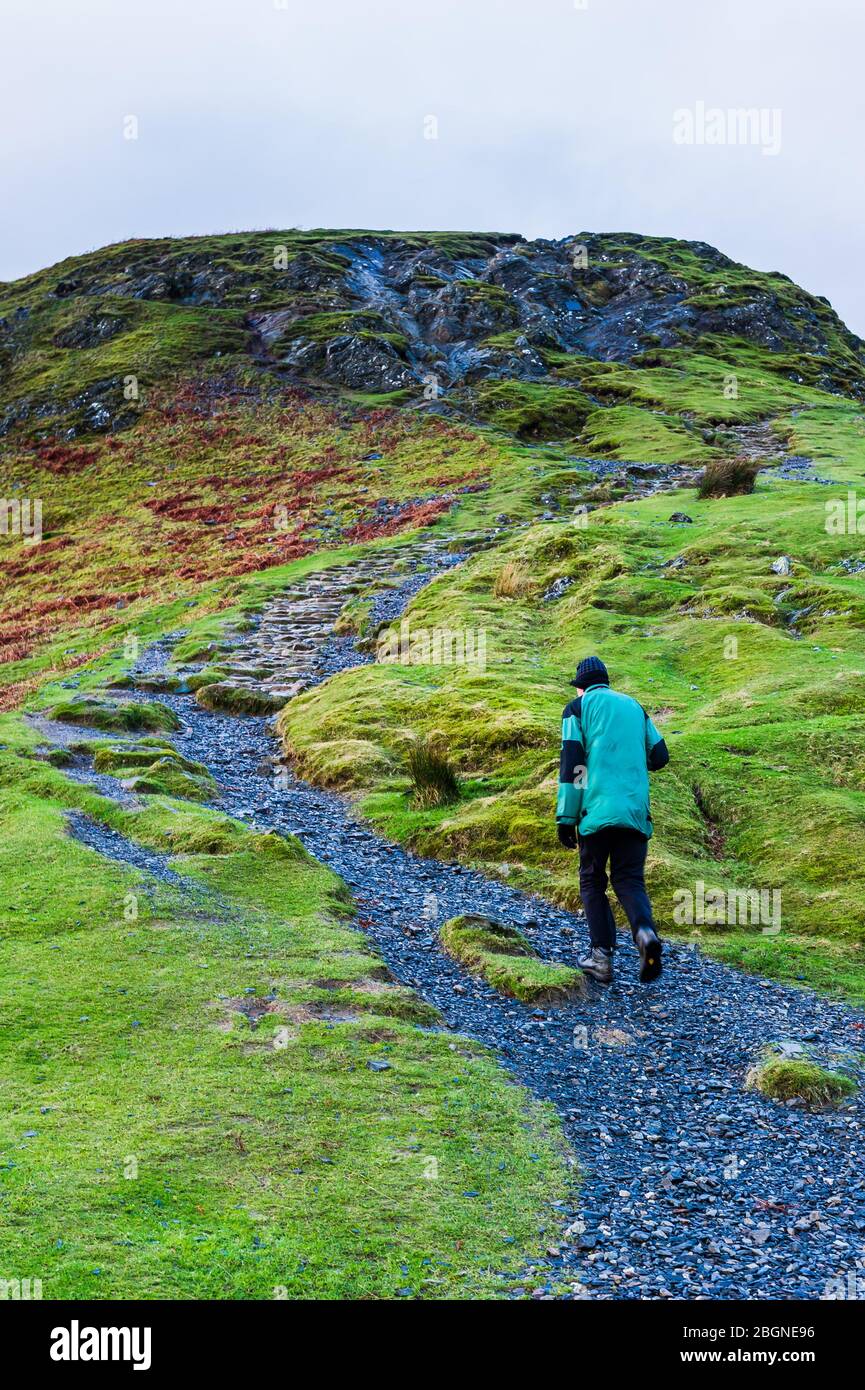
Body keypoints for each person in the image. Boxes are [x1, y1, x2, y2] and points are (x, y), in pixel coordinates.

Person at [556, 656, 669, 984]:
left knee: (592, 879)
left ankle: (601, 958)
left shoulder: (577, 709)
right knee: (629, 880)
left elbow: (574, 763)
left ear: (581, 686)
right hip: (634, 813)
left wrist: (566, 817)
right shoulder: (635, 707)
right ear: (606, 681)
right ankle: (645, 933)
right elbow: (660, 756)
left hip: (596, 812)